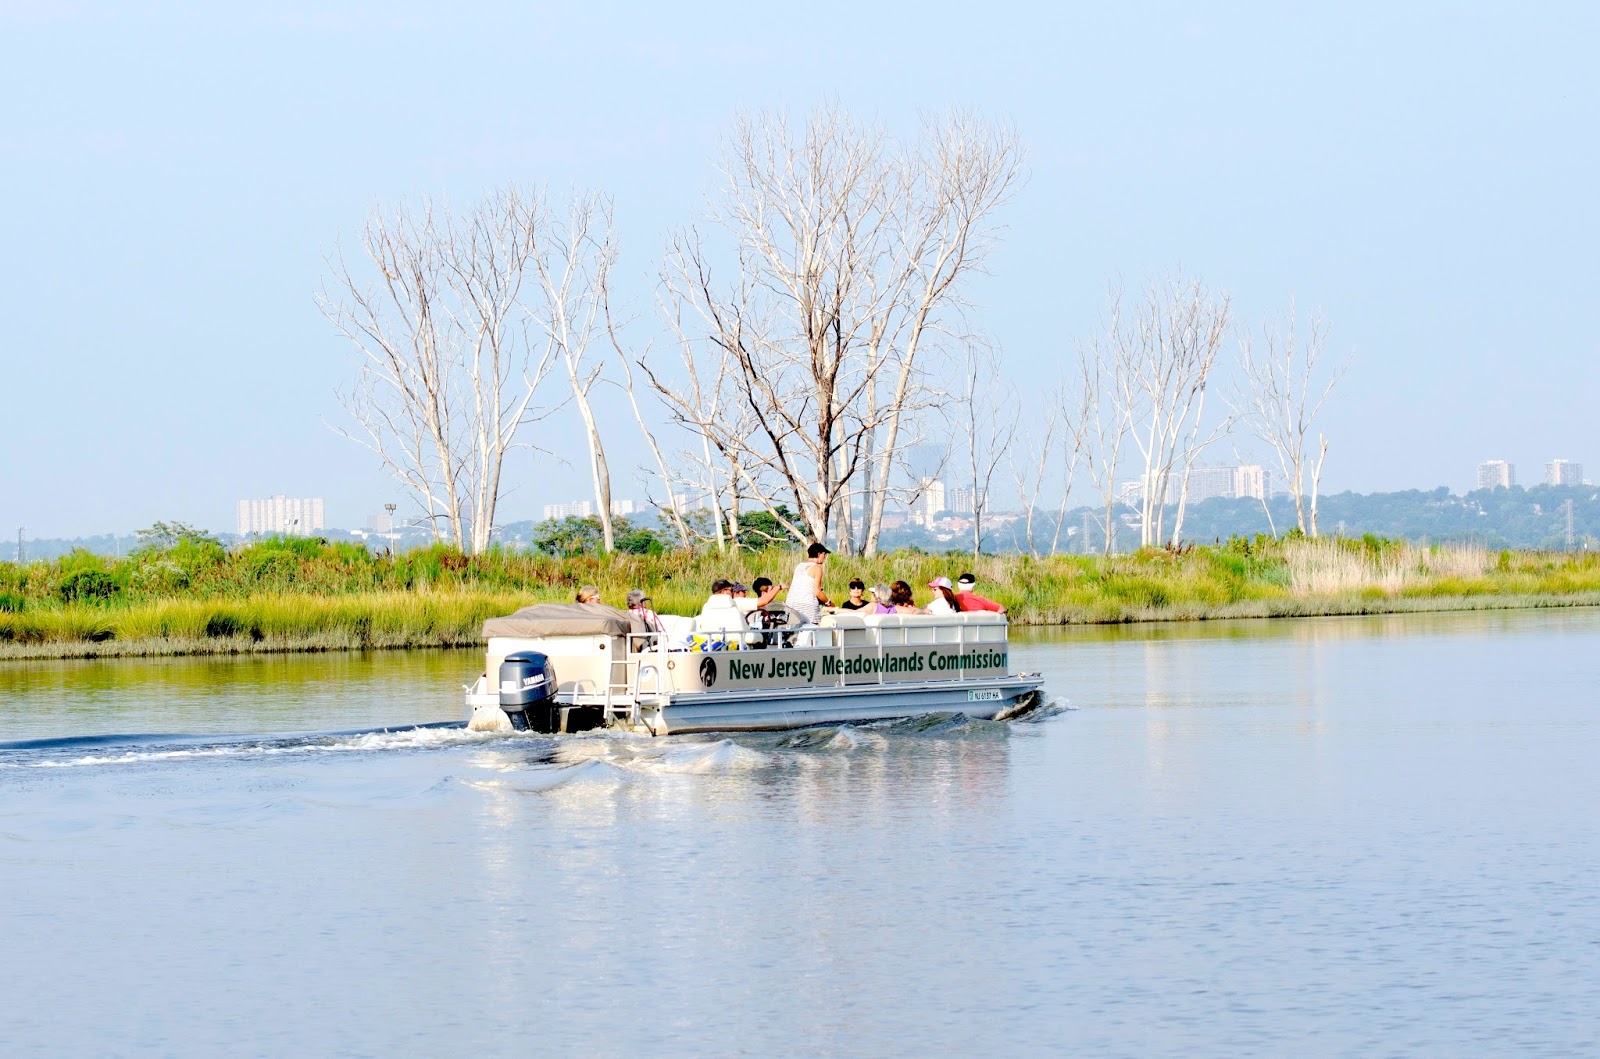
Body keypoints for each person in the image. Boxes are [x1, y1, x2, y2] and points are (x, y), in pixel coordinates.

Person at [785, 543, 832, 625]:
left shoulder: (799, 566)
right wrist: (829, 603)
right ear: (819, 554)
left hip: (791, 606)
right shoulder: (817, 568)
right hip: (807, 608)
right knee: (812, 633)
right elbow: (817, 592)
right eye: (824, 554)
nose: (824, 557)